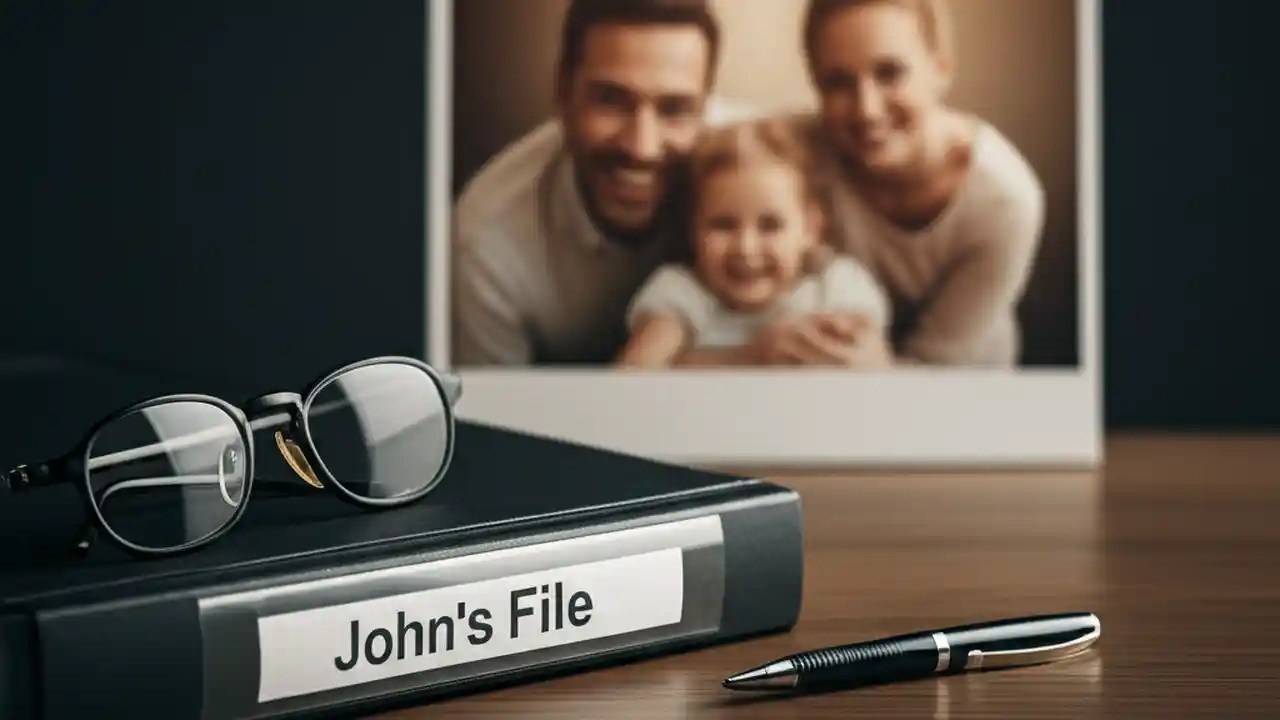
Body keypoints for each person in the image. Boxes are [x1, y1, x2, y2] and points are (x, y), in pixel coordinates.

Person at [451, 0, 723, 366]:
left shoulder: (763, 165)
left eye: (674, 108)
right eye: (611, 100)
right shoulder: (485, 246)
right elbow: (486, 418)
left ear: (706, 107)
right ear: (563, 92)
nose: (642, 147)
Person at [798, 0, 1046, 366]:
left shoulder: (1005, 202)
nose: (866, 109)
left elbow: (936, 366)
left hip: (964, 395)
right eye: (838, 82)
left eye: (890, 73)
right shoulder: (805, 149)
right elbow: (718, 129)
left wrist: (873, 374)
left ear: (941, 68)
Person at [616, 119, 890, 368]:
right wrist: (748, 358)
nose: (746, 247)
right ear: (693, 229)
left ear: (810, 229)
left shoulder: (834, 285)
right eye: (723, 225)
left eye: (770, 226)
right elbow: (634, 373)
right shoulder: (683, 293)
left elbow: (878, 366)